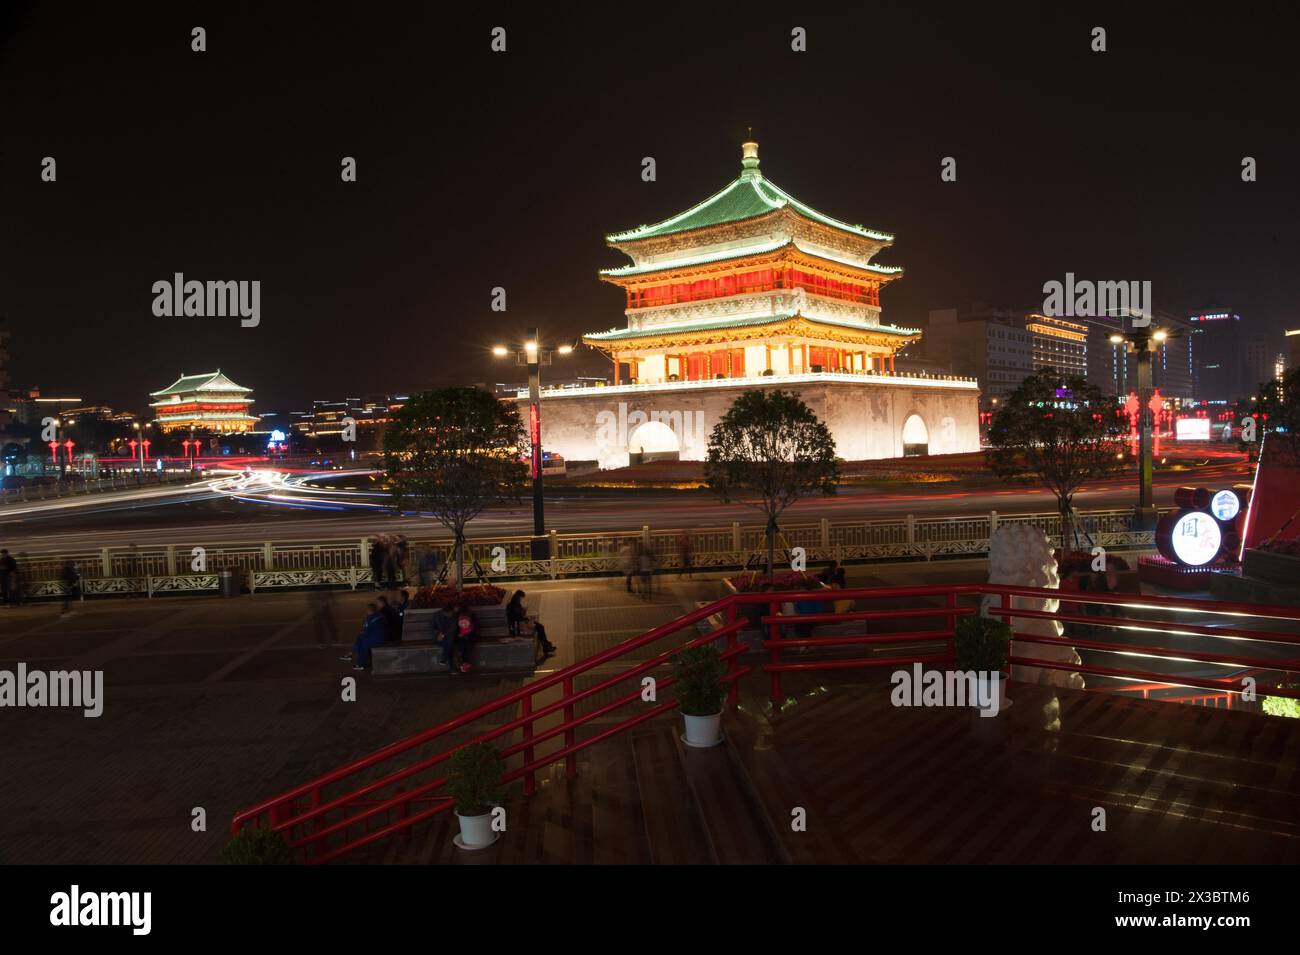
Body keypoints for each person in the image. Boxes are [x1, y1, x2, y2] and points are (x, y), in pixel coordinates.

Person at [507, 590, 556, 657]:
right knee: (540, 627)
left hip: (520, 623)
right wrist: (528, 618)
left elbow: (518, 616)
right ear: (519, 597)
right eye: (521, 598)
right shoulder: (515, 605)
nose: (521, 599)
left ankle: (546, 646)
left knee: (540, 627)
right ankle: (546, 646)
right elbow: (518, 618)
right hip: (519, 625)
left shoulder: (513, 604)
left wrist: (525, 614)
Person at [342, 602, 389, 670]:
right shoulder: (380, 615)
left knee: (362, 643)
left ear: (369, 610)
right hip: (383, 638)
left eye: (366, 610)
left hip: (378, 641)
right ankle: (351, 654)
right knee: (360, 638)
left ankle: (360, 664)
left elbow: (365, 631)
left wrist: (365, 620)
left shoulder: (370, 619)